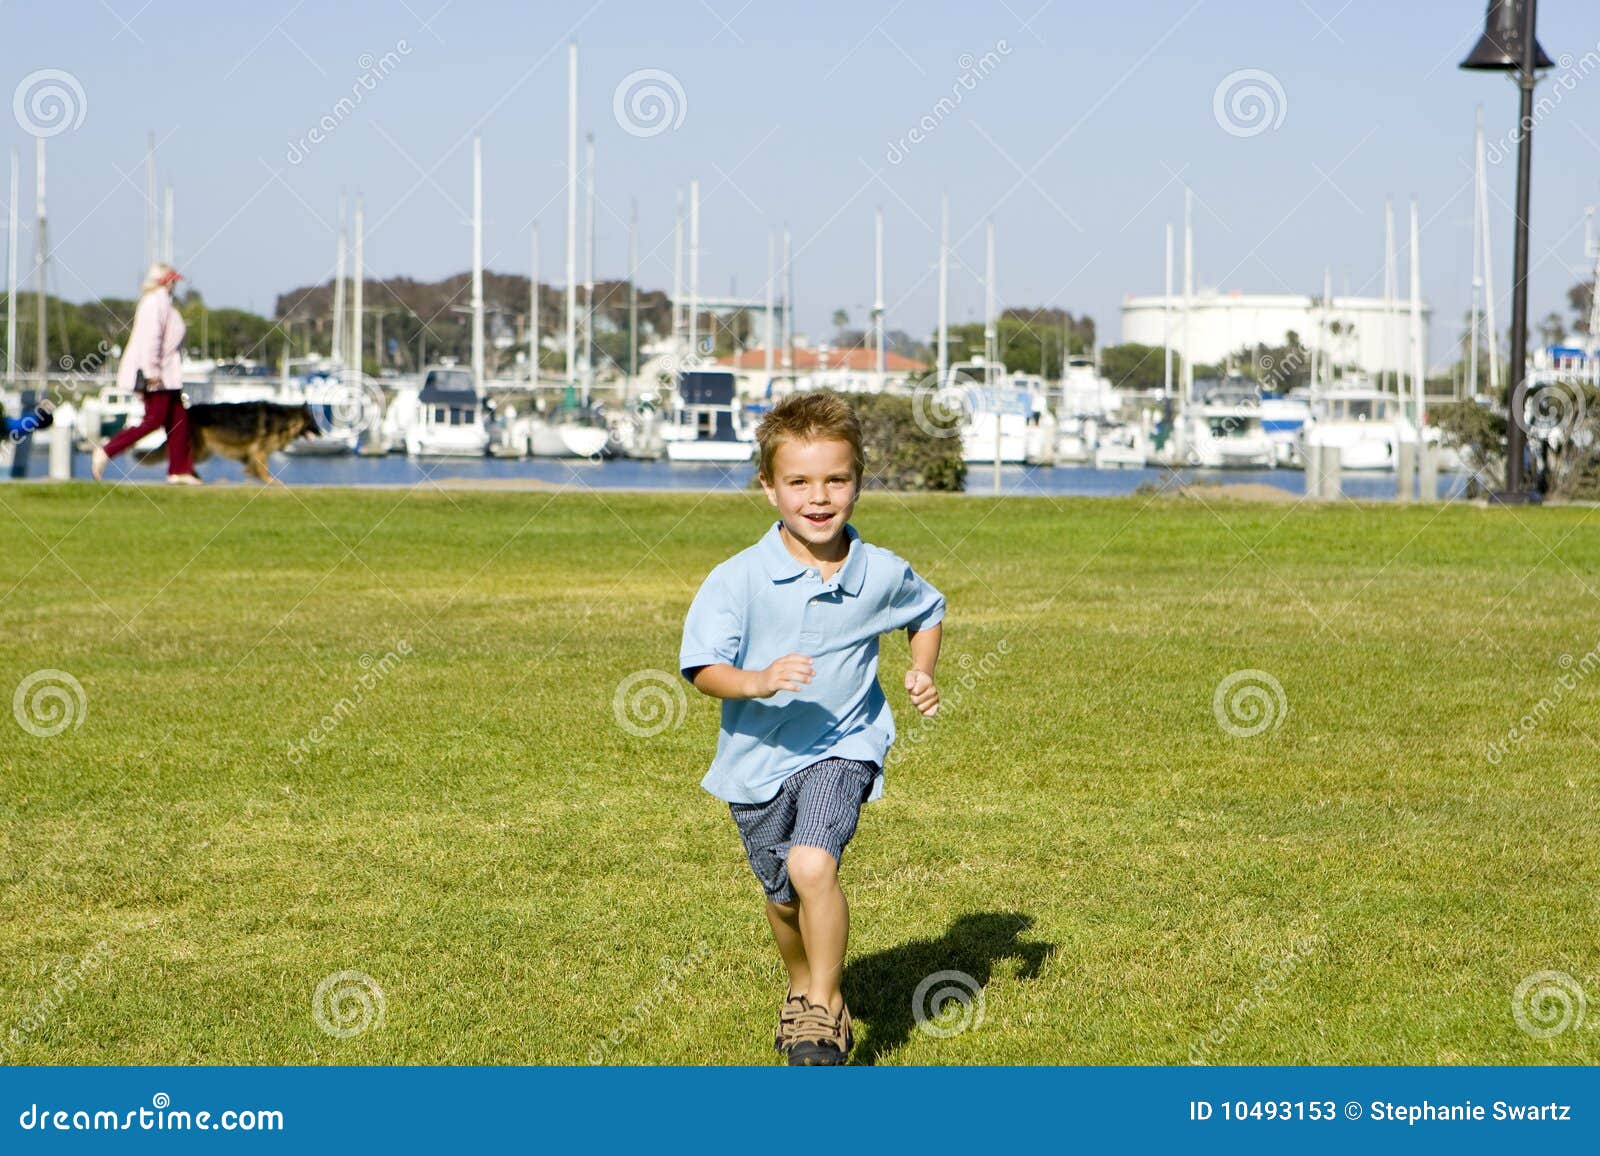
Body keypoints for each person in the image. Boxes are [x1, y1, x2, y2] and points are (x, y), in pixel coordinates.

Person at [679, 391, 944, 1065]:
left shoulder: (878, 571)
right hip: (756, 761)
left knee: (811, 862)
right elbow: (703, 668)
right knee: (784, 895)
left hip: (844, 746)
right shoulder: (737, 579)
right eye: (799, 481)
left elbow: (928, 608)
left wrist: (920, 668)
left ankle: (824, 1010)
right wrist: (757, 680)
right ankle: (803, 985)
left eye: (836, 479)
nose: (819, 497)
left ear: (858, 481)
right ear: (769, 487)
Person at [91, 262, 200, 485]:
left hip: (168, 377)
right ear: (166, 281)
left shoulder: (162, 303)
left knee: (179, 421)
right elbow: (150, 341)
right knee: (153, 420)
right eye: (171, 280)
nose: (173, 285)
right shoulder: (155, 303)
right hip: (157, 377)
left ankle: (180, 470)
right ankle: (106, 451)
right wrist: (152, 372)